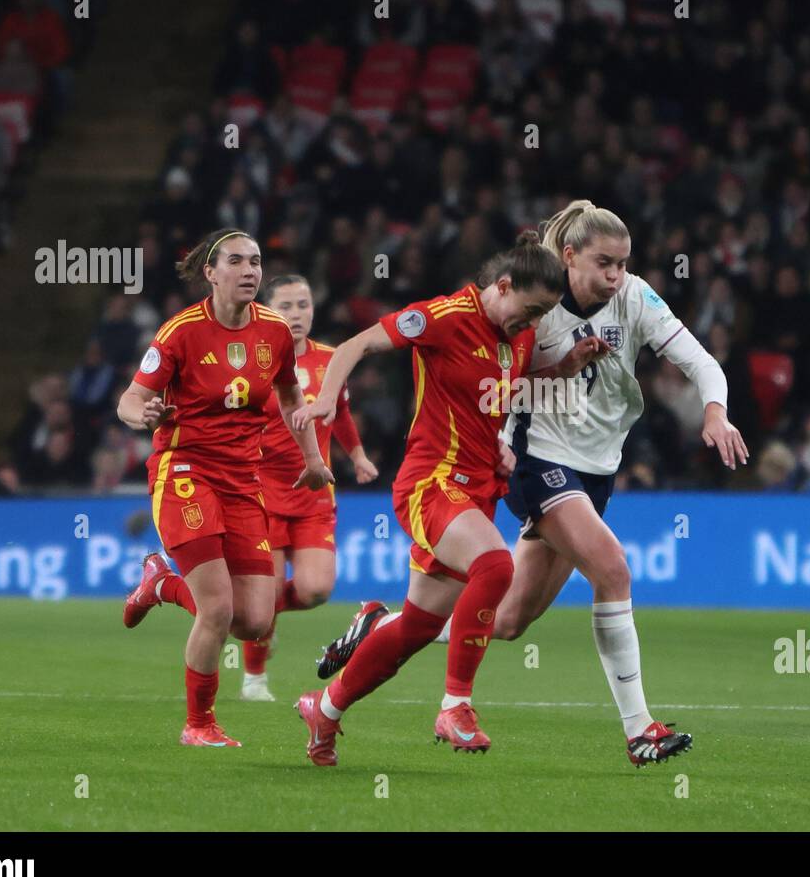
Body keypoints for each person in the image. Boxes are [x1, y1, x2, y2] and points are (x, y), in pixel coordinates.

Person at [317, 201, 749, 767]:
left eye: (623, 263)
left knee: (511, 620)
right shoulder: (528, 307)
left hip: (597, 466)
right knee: (612, 569)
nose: (615, 276)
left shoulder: (634, 297)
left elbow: (700, 361)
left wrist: (714, 411)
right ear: (568, 257)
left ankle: (382, 625)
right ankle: (639, 729)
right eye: (604, 264)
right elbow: (477, 368)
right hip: (539, 460)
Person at [292, 231, 606, 765]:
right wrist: (326, 398)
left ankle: (326, 707)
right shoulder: (443, 316)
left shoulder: (519, 337)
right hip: (431, 481)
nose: (528, 326)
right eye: (527, 311)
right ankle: (455, 706)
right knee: (495, 565)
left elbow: (502, 390)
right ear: (502, 286)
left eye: (538, 318)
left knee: (418, 626)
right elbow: (355, 345)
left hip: (479, 488)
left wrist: (563, 368)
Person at [116, 229, 334, 747]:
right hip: (185, 471)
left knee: (255, 622)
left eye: (256, 262)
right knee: (217, 609)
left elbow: (289, 397)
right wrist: (142, 415)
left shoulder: (275, 332)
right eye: (236, 261)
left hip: (243, 479)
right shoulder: (181, 331)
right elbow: (130, 398)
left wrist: (312, 459)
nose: (250, 271)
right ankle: (199, 724)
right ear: (211, 273)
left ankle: (161, 584)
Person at [240, 274, 379, 702]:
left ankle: (256, 619)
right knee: (266, 588)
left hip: (314, 493)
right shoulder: (251, 361)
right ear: (266, 311)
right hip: (261, 493)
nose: (296, 314)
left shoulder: (330, 359)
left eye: (303, 305)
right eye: (286, 306)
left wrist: (356, 456)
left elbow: (340, 412)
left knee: (315, 590)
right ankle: (254, 678)